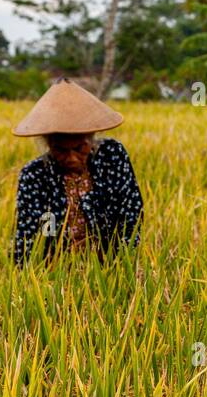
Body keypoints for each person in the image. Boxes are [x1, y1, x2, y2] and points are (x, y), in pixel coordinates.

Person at [11, 78, 144, 266]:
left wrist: (122, 262)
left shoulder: (112, 156)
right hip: (56, 269)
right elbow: (27, 233)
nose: (72, 158)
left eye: (80, 148)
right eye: (61, 151)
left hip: (110, 263)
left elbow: (131, 213)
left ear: (92, 139)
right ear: (48, 144)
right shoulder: (35, 175)